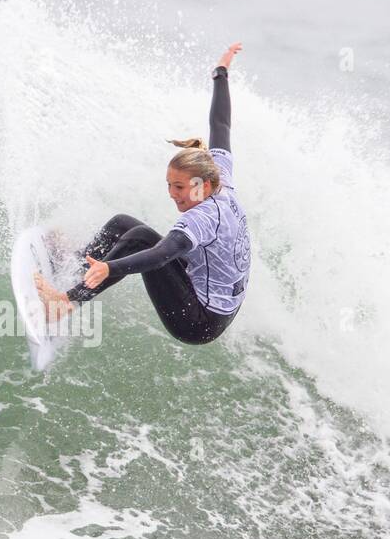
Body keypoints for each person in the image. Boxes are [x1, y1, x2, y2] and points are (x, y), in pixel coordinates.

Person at [35, 43, 251, 346]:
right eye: (169, 185)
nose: (172, 195)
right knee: (124, 223)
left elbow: (162, 253)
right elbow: (221, 124)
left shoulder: (204, 217)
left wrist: (112, 267)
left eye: (179, 188)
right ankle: (76, 266)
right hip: (212, 292)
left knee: (140, 238)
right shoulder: (221, 174)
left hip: (200, 321)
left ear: (201, 184)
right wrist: (221, 72)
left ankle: (67, 302)